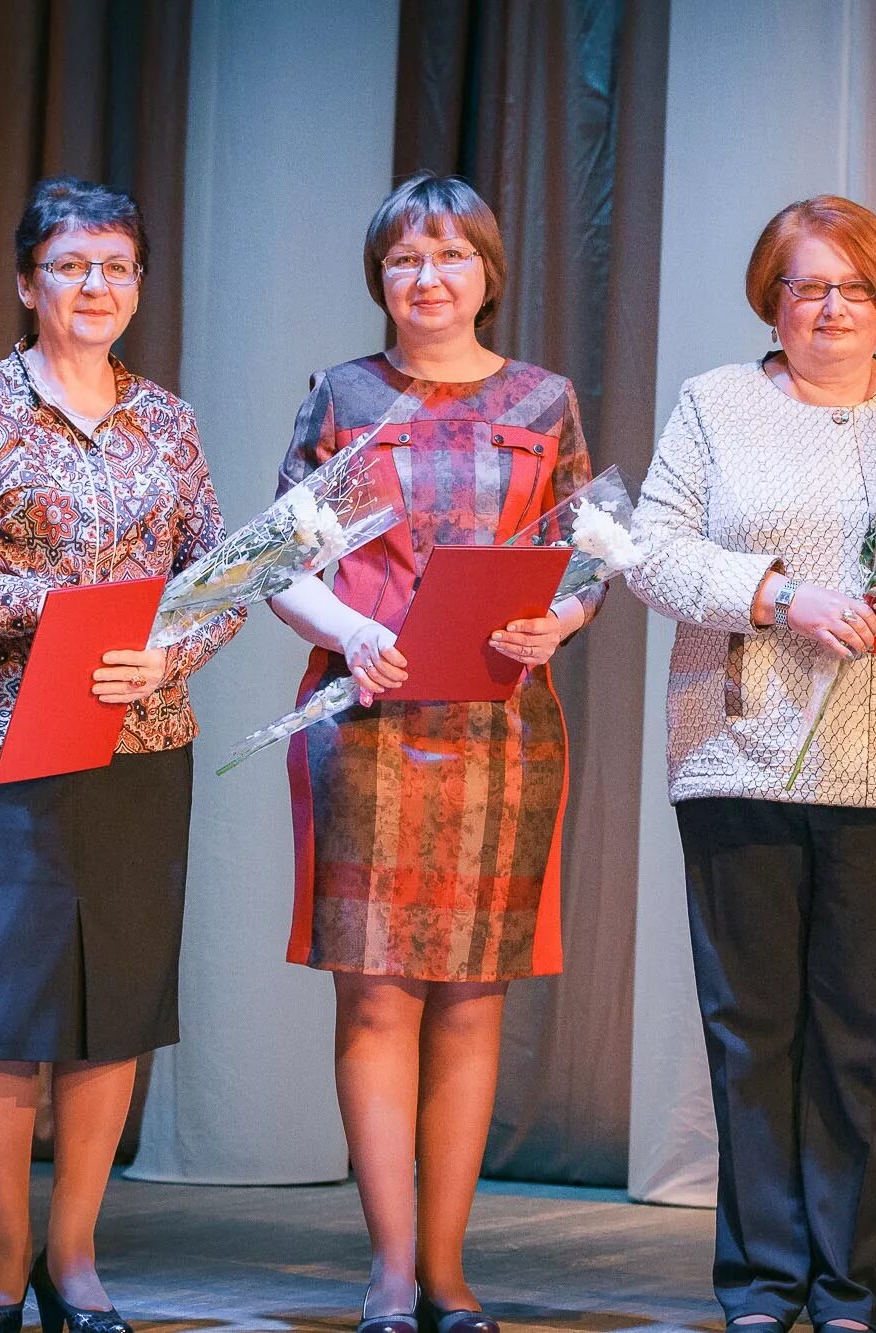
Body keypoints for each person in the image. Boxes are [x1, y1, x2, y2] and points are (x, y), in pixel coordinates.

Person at [627, 196, 876, 1333]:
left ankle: (844, 1287)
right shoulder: (714, 403)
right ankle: (760, 1286)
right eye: (805, 286)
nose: (829, 308)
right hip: (738, 755)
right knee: (750, 1033)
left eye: (851, 288)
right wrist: (773, 594)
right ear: (772, 298)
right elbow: (649, 551)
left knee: (858, 1039)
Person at [0, 176, 242, 1333]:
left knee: (109, 1000)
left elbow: (219, 580)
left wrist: (168, 655)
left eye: (117, 268)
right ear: (30, 282)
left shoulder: (166, 421)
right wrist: (48, 608)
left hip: (138, 742)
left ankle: (76, 1258)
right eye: (72, 267)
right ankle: (4, 1247)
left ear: (138, 287)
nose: (96, 287)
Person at [267, 172, 604, 1333]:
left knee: (470, 1002)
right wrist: (355, 631)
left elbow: (584, 556)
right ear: (381, 277)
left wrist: (555, 618)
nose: (428, 278)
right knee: (374, 1003)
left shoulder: (546, 399)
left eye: (452, 256)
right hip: (365, 723)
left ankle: (452, 1272)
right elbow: (277, 565)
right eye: (406, 259)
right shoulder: (338, 396)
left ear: (486, 273)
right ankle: (391, 1271)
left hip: (503, 727)